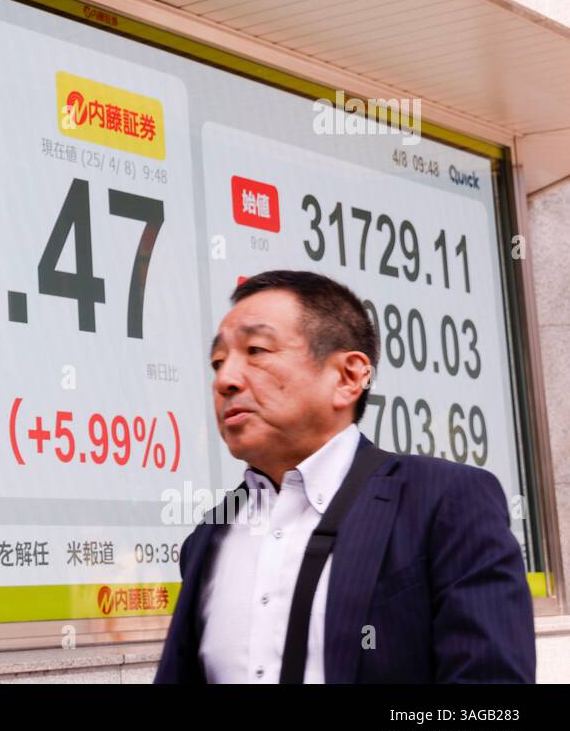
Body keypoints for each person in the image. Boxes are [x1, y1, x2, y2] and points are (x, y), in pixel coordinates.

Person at [153, 270, 535, 683]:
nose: (225, 379)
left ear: (349, 377)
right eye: (218, 362)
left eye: (257, 350)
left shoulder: (444, 500)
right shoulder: (209, 536)